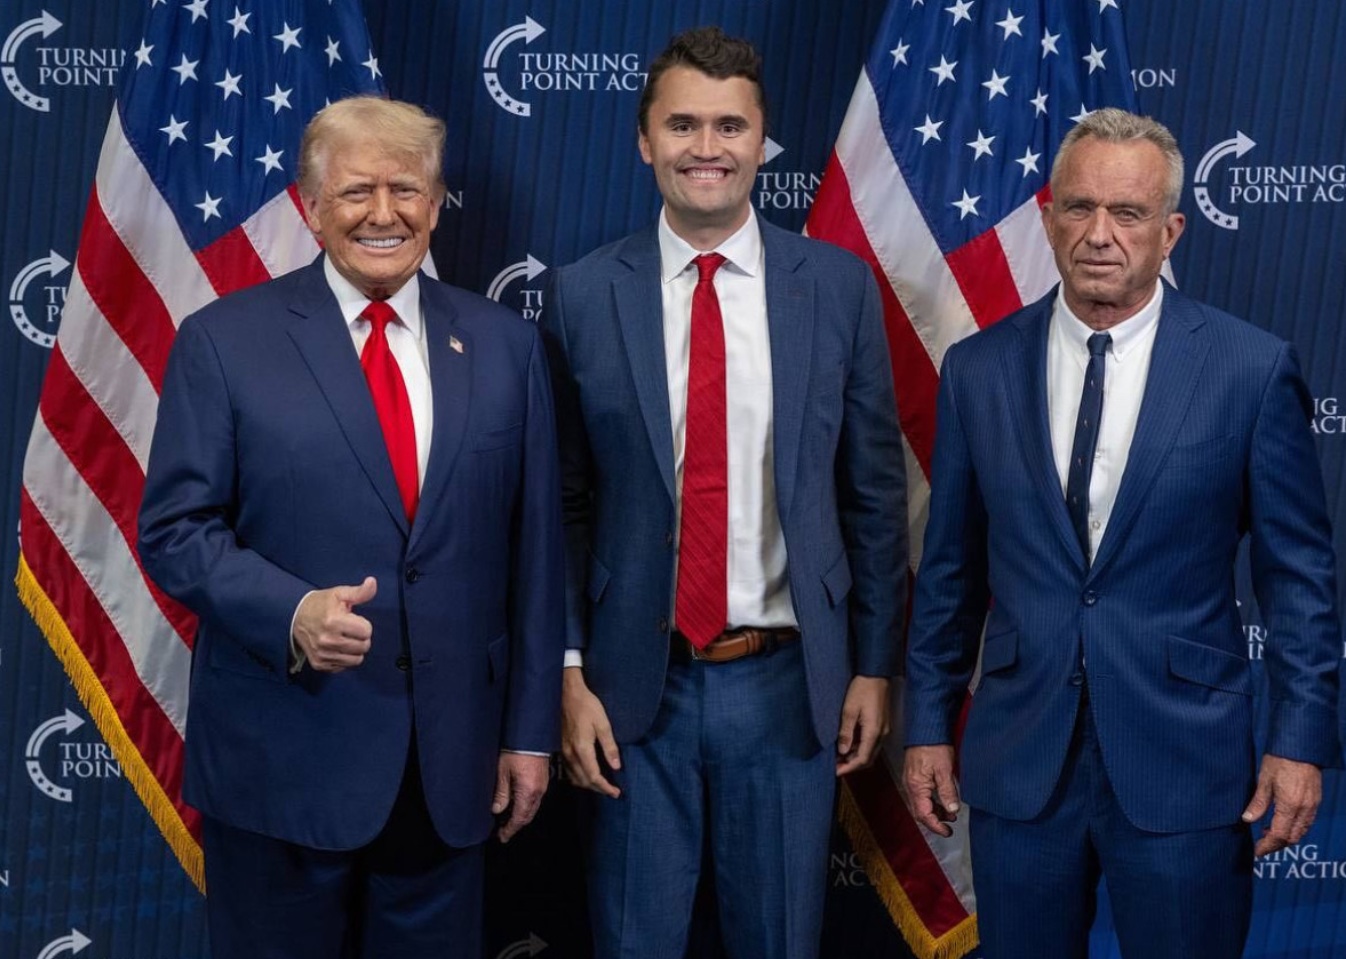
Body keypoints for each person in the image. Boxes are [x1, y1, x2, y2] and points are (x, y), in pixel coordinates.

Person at [903, 108, 1341, 959]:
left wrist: (1299, 741)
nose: (1100, 234)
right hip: (1020, 761)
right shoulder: (979, 369)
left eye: (1128, 213)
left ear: (1171, 229)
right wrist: (925, 724)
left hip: (1186, 762)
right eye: (1079, 208)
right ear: (1048, 216)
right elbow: (950, 570)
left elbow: (1301, 583)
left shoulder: (1250, 369)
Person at [137, 96, 564, 959]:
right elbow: (175, 530)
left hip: (449, 772)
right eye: (357, 190)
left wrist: (526, 731)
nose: (383, 212)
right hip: (282, 761)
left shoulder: (505, 346)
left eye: (406, 188)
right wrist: (289, 611)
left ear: (437, 204)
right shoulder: (223, 342)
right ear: (310, 206)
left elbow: (538, 560)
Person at [541, 26, 907, 959]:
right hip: (632, 687)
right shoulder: (583, 296)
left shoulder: (836, 287)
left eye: (730, 127)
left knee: (780, 942)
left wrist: (873, 664)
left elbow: (871, 494)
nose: (707, 148)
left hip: (788, 686)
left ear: (761, 142)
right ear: (643, 139)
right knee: (633, 941)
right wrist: (570, 670)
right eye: (684, 125)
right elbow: (563, 506)